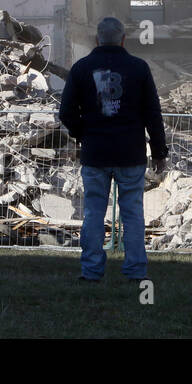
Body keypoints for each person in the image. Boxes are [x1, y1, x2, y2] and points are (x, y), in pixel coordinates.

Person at [59, 16, 168, 282]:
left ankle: (92, 270)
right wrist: (159, 152)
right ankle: (135, 271)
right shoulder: (139, 67)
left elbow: (66, 112)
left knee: (94, 212)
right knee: (132, 212)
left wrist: (82, 133)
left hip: (95, 153)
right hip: (130, 152)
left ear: (97, 39)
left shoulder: (81, 68)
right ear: (123, 39)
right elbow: (153, 113)